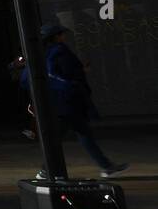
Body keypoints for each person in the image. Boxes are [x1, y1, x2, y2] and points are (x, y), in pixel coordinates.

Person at [21, 24, 128, 178]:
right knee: (64, 136)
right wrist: (75, 79)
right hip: (66, 102)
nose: (64, 36)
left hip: (56, 102)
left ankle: (106, 166)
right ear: (55, 37)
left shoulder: (39, 54)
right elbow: (64, 74)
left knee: (79, 133)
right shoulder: (59, 51)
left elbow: (35, 78)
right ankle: (46, 170)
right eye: (61, 34)